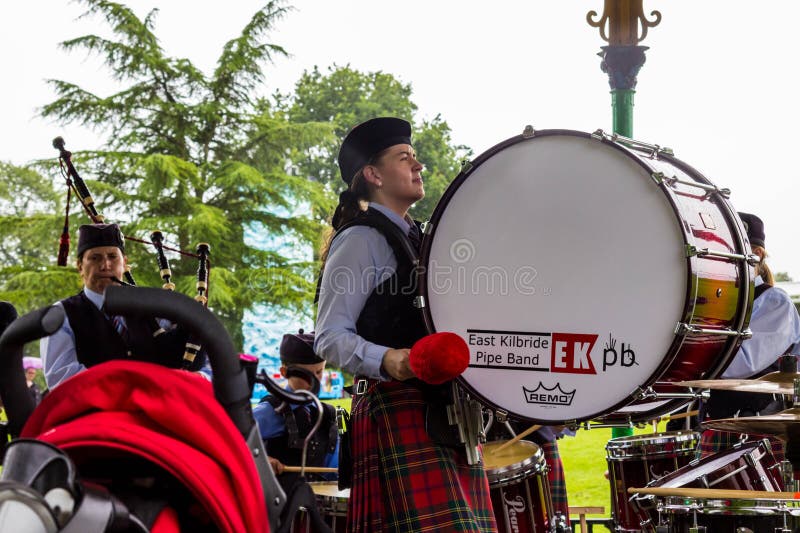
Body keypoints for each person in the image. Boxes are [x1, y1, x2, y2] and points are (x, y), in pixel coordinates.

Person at [315, 117, 496, 532]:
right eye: (404, 158)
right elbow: (329, 337)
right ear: (373, 175)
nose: (418, 166)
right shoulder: (360, 239)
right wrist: (392, 359)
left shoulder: (424, 237)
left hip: (445, 413)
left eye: (415, 157)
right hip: (398, 409)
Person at [41, 223, 205, 389]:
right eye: (95, 258)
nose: (105, 265)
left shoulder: (152, 308)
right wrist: (130, 389)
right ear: (80, 266)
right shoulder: (62, 314)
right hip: (95, 411)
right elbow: (62, 379)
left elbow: (201, 367)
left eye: (113, 257)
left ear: (124, 263)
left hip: (156, 409)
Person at [697, 212, 800, 460]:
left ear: (757, 253)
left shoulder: (774, 302)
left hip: (761, 432)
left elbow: (737, 366)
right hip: (720, 423)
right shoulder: (721, 303)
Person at [253, 329, 339, 494]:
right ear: (284, 372)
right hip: (276, 507)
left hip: (314, 507)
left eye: (319, 372)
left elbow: (332, 469)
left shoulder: (326, 414)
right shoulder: (269, 411)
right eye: (306, 375)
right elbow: (229, 442)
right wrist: (260, 460)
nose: (315, 381)